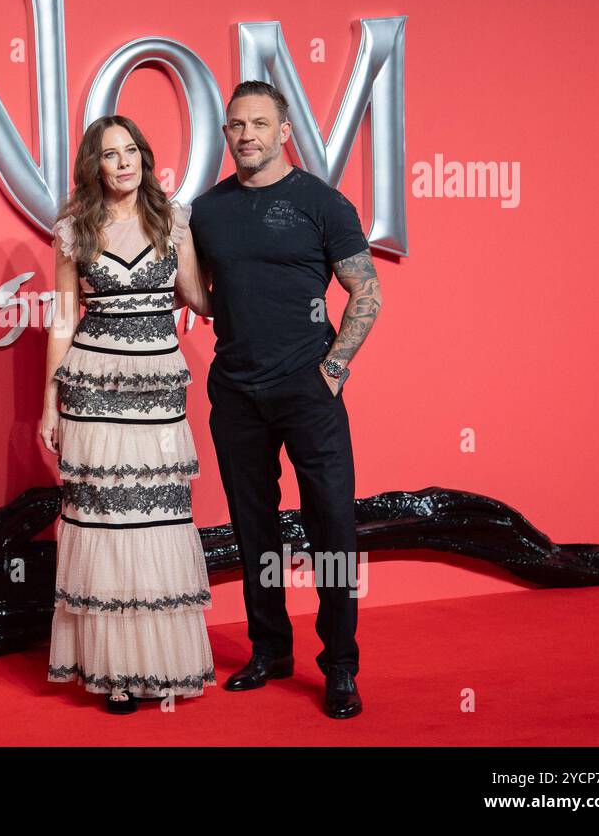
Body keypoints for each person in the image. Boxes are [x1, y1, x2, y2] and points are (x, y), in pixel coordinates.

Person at [189, 80, 382, 719]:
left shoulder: (322, 204)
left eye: (259, 123)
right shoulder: (208, 210)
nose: (247, 135)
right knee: (254, 524)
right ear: (227, 135)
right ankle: (270, 649)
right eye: (236, 125)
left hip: (308, 388)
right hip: (236, 389)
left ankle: (341, 666)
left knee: (331, 523)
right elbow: (203, 293)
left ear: (284, 129)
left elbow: (367, 292)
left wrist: (334, 366)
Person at [40, 115, 215, 714]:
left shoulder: (175, 221)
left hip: (158, 390)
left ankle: (159, 665)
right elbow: (63, 322)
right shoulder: (73, 231)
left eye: (132, 151)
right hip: (92, 388)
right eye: (111, 155)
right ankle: (115, 672)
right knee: (105, 522)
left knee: (156, 520)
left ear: (145, 157)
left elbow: (196, 297)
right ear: (95, 165)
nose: (124, 163)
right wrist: (49, 406)